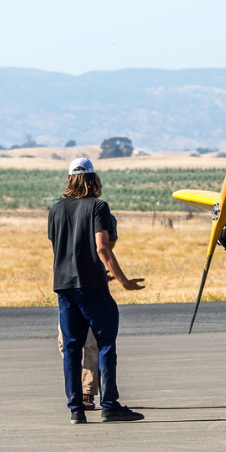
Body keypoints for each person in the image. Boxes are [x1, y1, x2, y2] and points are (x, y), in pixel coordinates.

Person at [48, 157, 147, 423]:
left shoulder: (55, 210)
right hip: (92, 286)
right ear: (94, 179)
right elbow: (102, 247)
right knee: (105, 344)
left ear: (70, 179)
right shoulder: (99, 207)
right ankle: (109, 405)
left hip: (64, 287)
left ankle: (76, 410)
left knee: (71, 348)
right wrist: (123, 281)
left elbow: (62, 247)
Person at [55, 211, 117, 410]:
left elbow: (105, 247)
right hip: (70, 285)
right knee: (66, 344)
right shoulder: (61, 214)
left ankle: (87, 392)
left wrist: (99, 271)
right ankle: (76, 393)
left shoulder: (103, 216)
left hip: (89, 287)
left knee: (91, 343)